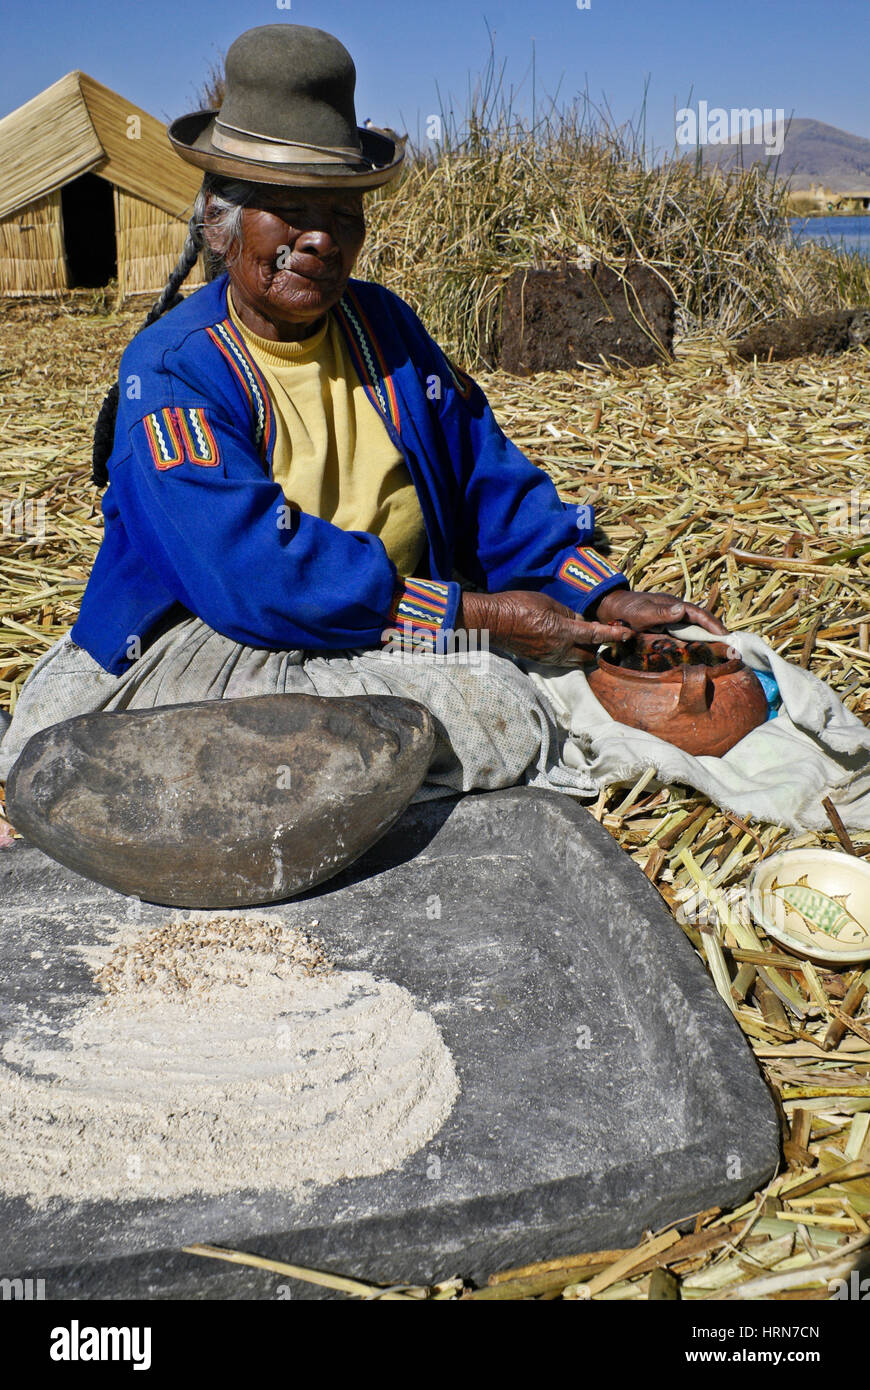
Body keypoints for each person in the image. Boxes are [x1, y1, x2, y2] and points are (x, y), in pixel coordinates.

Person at [0, 24, 724, 794]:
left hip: (385, 630)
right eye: (287, 211)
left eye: (343, 213)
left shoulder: (385, 328)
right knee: (460, 716)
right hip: (216, 644)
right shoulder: (175, 372)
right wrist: (476, 616)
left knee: (484, 709)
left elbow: (487, 478)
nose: (319, 240)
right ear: (222, 221)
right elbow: (253, 579)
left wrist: (595, 590)